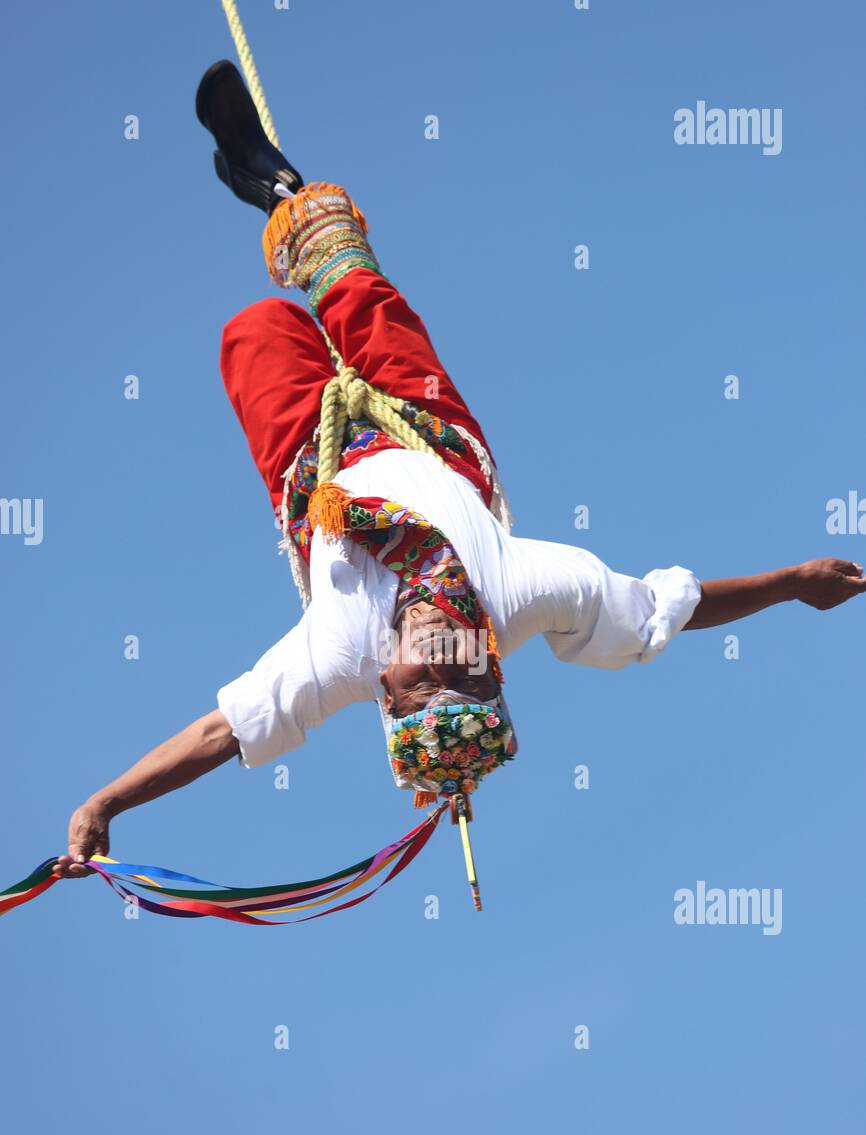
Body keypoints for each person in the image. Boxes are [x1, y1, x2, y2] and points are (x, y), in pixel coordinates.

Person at [55, 62, 866, 878]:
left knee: (256, 329)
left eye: (425, 675)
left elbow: (217, 735)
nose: (443, 652)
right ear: (490, 668)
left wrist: (108, 800)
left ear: (389, 691)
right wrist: (793, 580)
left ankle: (267, 230)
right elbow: (662, 613)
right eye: (466, 668)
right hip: (430, 433)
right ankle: (275, 189)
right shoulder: (524, 593)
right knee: (352, 282)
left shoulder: (338, 657)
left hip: (315, 461)